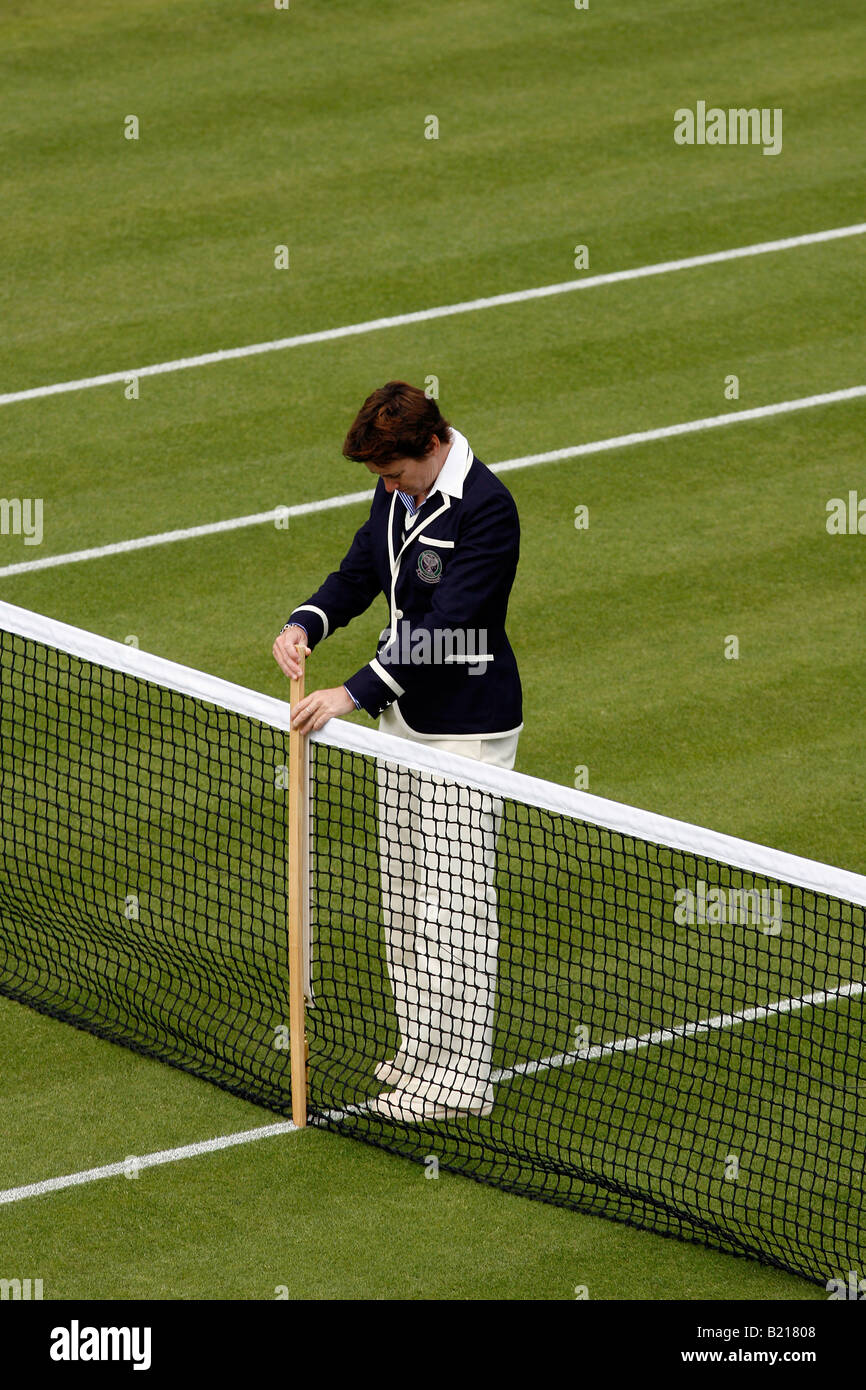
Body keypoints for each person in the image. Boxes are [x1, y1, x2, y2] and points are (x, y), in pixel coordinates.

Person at [273, 381, 523, 1121]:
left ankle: (463, 1079)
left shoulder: (486, 509)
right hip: (405, 721)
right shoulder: (398, 492)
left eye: (394, 473)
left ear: (432, 445)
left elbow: (450, 627)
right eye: (380, 477)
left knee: (455, 904)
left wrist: (350, 694)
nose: (386, 487)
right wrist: (306, 623)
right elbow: (360, 572)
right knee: (407, 892)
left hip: (465, 728)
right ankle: (423, 1049)